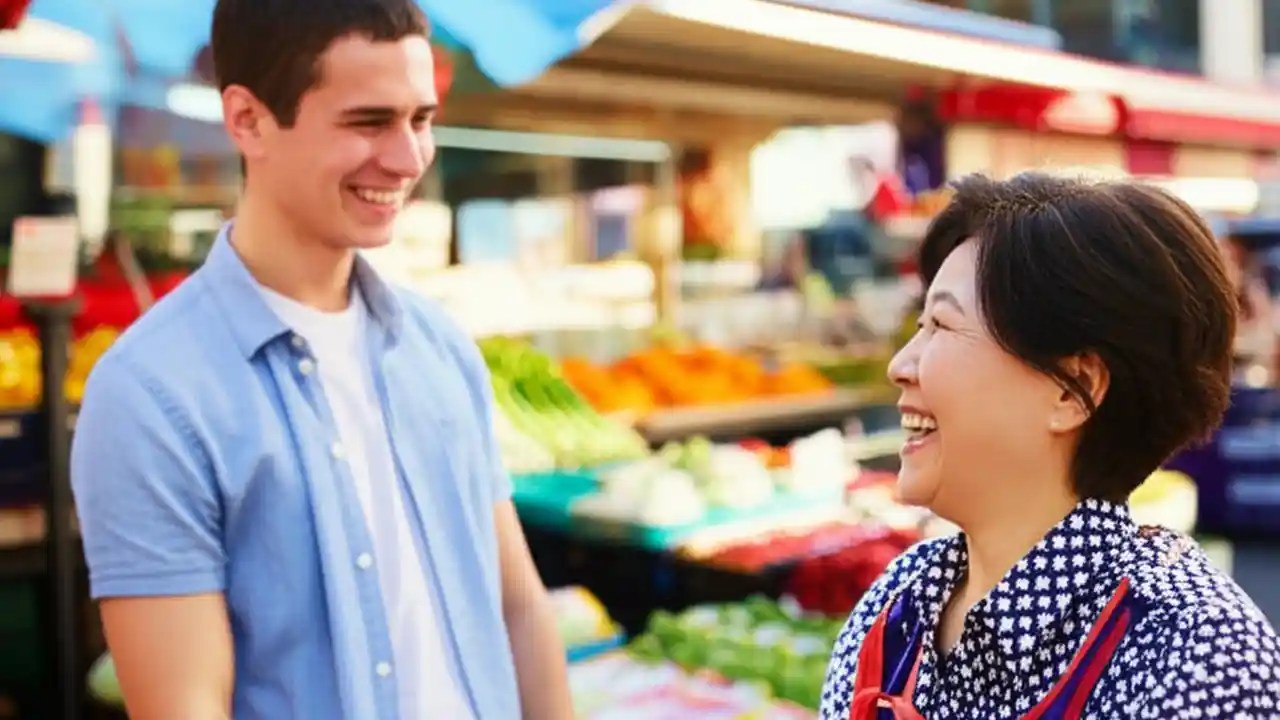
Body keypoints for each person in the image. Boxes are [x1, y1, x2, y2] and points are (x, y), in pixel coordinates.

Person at [69, 1, 573, 718]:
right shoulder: (150, 397)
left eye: (421, 119)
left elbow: (518, 610)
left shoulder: (440, 349)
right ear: (247, 120)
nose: (408, 158)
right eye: (368, 122)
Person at [820, 172, 1280, 719]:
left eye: (942, 325)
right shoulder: (899, 606)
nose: (901, 366)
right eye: (919, 326)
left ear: (1072, 389)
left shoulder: (1193, 653)